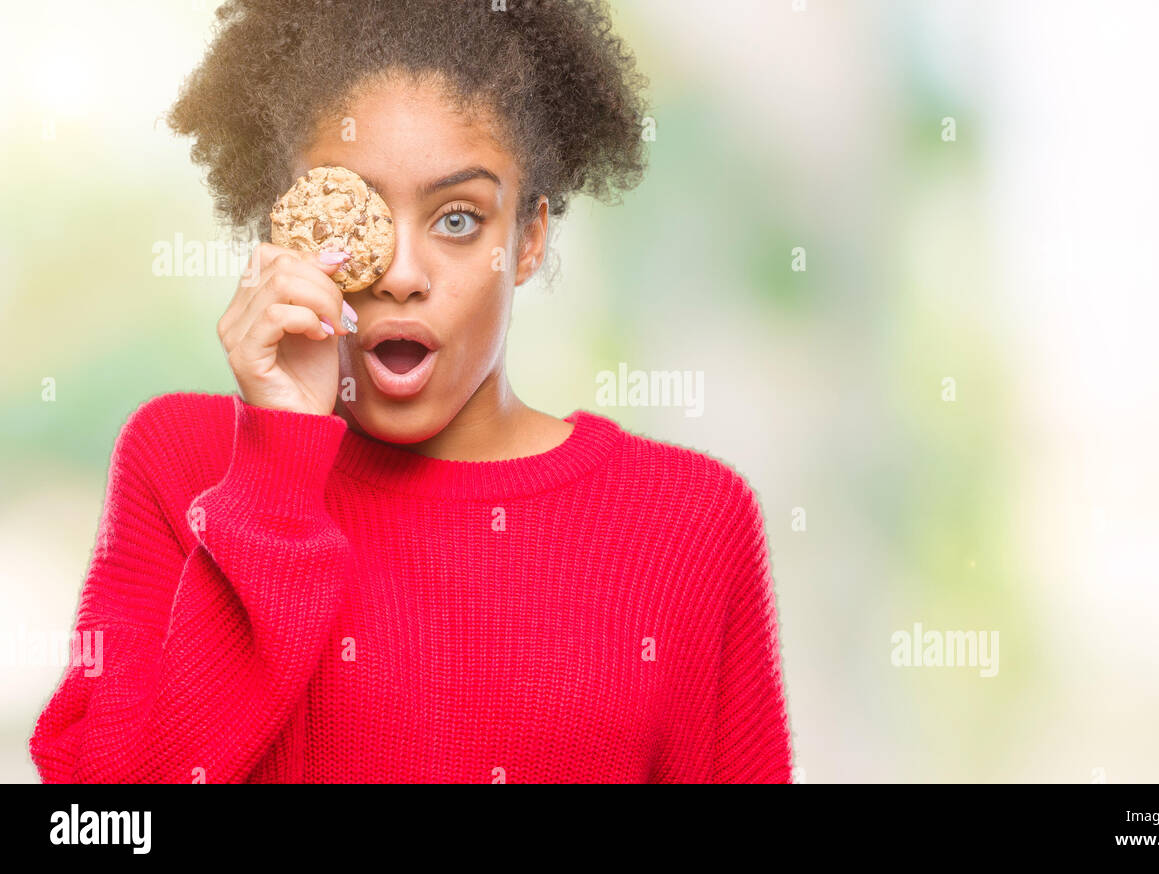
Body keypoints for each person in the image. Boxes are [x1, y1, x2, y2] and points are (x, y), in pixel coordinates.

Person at [29, 0, 793, 783]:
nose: (398, 274)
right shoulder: (183, 463)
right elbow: (102, 823)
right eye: (356, 220)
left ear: (528, 240)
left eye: (458, 219)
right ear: (285, 228)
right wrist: (275, 474)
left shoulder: (691, 520)